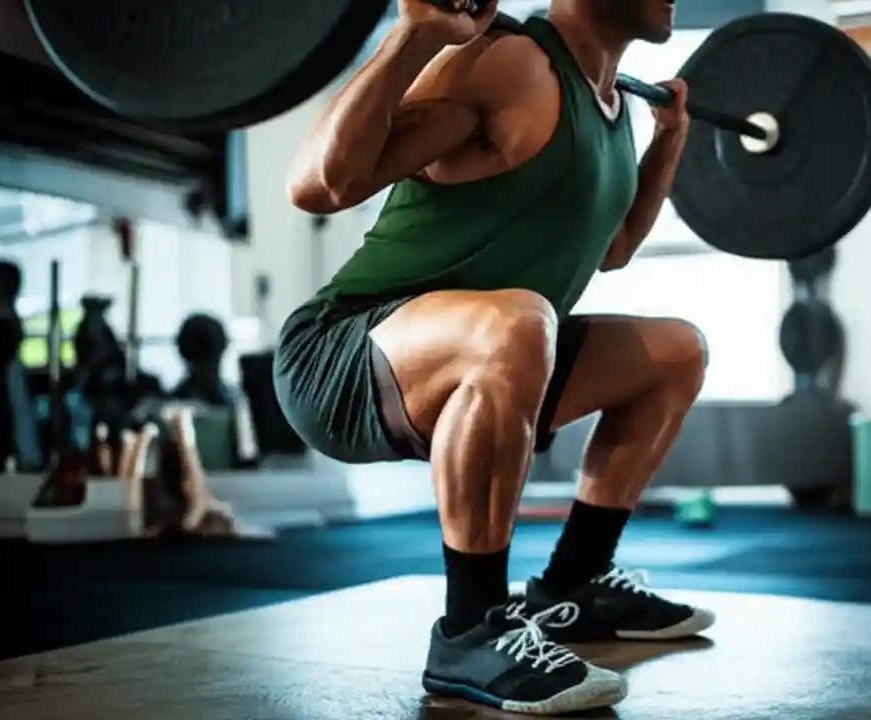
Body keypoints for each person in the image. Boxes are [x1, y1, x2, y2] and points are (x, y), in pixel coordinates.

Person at [275, 0, 713, 713]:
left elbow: (615, 249)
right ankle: (470, 628)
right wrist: (415, 34)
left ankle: (576, 583)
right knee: (521, 320)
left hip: (497, 344)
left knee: (675, 351)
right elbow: (318, 186)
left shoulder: (608, 106)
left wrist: (669, 139)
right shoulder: (510, 67)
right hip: (344, 357)